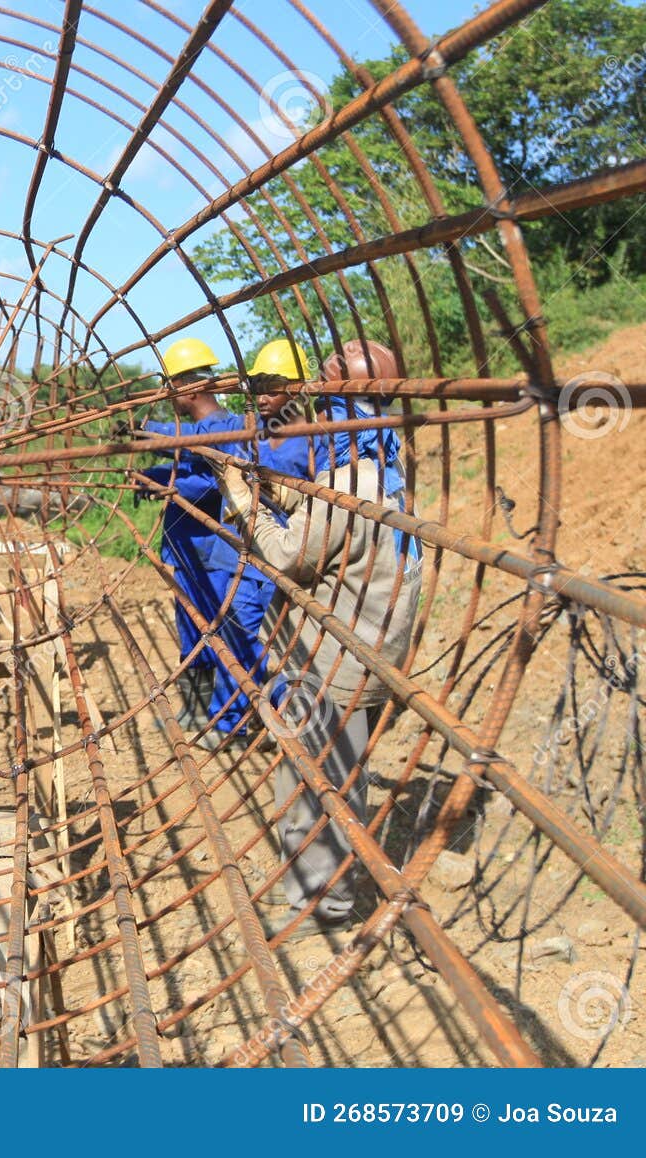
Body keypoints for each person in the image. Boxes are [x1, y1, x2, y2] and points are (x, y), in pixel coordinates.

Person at [219, 338, 420, 938]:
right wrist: (280, 491)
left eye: (326, 408)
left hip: (332, 663)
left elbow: (289, 553)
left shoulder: (351, 479)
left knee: (315, 781)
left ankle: (321, 907)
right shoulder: (390, 472)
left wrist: (245, 500)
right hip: (374, 651)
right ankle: (327, 893)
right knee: (343, 772)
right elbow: (338, 528)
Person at [137, 337, 273, 749]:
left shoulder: (225, 428)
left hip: (211, 549)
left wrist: (159, 479)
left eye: (172, 386)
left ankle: (232, 715)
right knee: (191, 628)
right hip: (186, 548)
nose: (168, 395)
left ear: (191, 388)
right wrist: (154, 471)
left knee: (215, 628)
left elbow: (210, 483)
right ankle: (196, 709)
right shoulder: (199, 432)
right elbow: (185, 452)